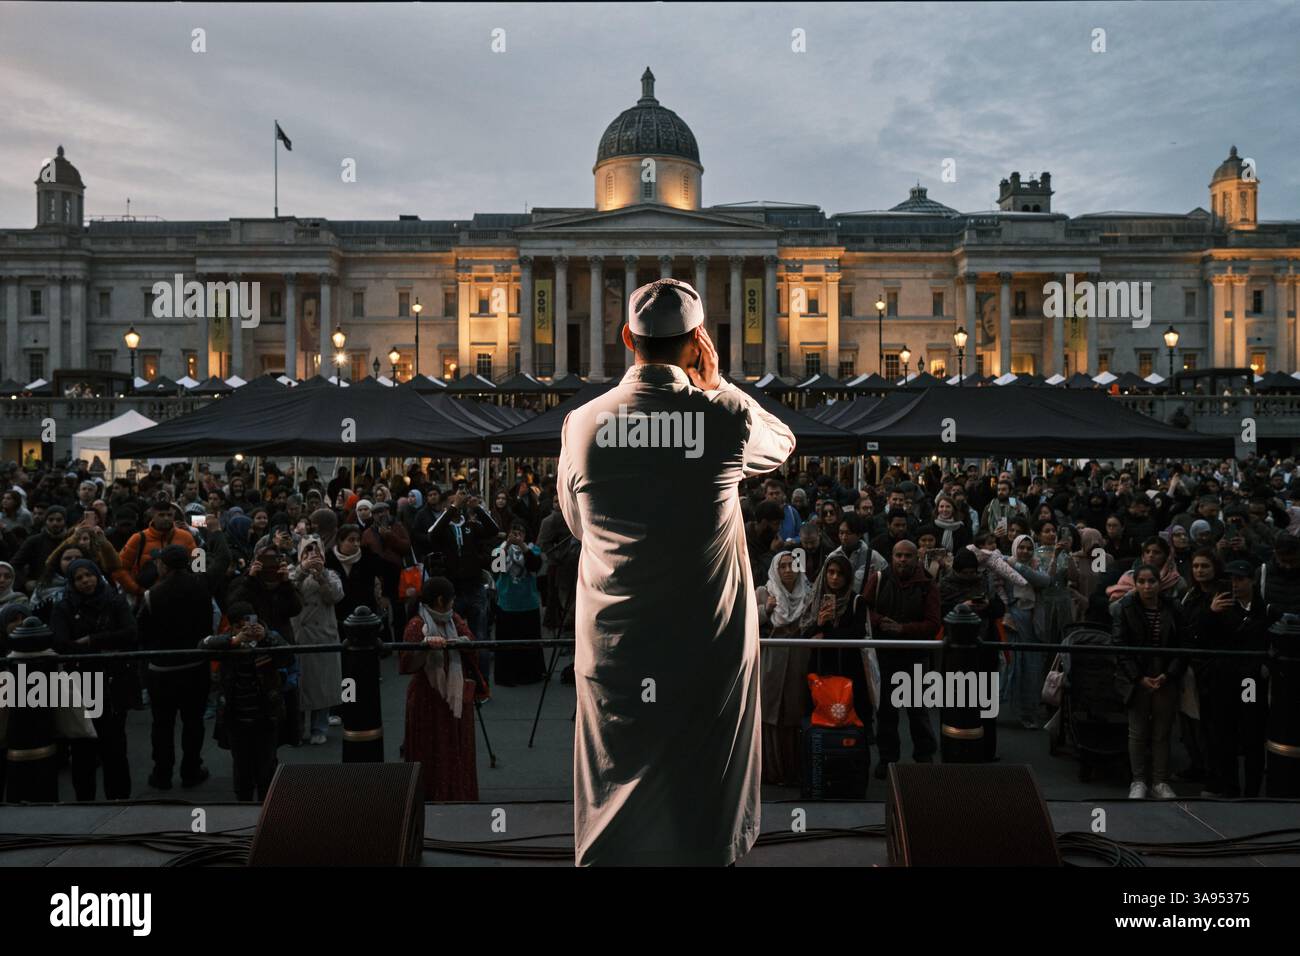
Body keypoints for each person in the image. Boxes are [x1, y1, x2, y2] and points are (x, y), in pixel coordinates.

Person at [557, 277, 795, 865]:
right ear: (698, 342)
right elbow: (782, 444)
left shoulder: (583, 423)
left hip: (617, 643)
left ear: (624, 339)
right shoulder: (726, 415)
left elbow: (577, 524)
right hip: (705, 645)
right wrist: (718, 385)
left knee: (615, 782)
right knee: (703, 798)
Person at [50, 559, 139, 801]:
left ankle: (119, 800)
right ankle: (85, 803)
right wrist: (107, 643)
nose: (85, 581)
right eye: (79, 578)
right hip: (82, 684)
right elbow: (61, 642)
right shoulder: (64, 607)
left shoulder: (114, 600)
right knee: (83, 750)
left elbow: (130, 632)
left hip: (112, 683)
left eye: (89, 575)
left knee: (115, 749)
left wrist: (91, 641)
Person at [860, 539, 940, 778]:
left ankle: (924, 757)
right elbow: (864, 608)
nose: (902, 560)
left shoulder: (928, 586)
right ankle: (887, 759)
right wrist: (880, 622)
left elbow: (933, 623)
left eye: (907, 556)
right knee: (886, 712)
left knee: (918, 711)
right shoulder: (879, 579)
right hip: (884, 655)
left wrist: (903, 630)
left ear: (915, 558)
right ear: (892, 557)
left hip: (915, 656)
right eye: (898, 555)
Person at [137, 544, 214, 790]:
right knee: (193, 722)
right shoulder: (202, 588)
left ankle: (162, 773)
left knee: (162, 724)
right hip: (195, 663)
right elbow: (209, 624)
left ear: (164, 566)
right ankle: (191, 770)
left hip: (162, 668)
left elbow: (142, 631)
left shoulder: (152, 594)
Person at [200, 603, 293, 801]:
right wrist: (233, 641)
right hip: (236, 717)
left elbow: (288, 655)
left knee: (266, 768)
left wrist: (265, 637)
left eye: (251, 625)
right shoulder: (228, 644)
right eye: (241, 627)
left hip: (265, 715)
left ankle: (266, 809)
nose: (248, 631)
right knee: (242, 769)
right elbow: (202, 646)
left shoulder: (267, 639)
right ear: (233, 627)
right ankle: (243, 809)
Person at [400, 577, 482, 801]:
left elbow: (474, 646)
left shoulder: (454, 619)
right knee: (431, 748)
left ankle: (459, 793)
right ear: (440, 600)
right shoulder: (417, 625)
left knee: (456, 747)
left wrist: (465, 641)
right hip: (428, 696)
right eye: (451, 599)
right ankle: (428, 796)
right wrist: (425, 648)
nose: (454, 603)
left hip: (454, 695)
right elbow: (407, 664)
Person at [1115, 563, 1189, 800]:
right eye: (1142, 582)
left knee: (1161, 732)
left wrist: (1169, 674)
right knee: (1137, 732)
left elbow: (1182, 645)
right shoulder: (1125, 607)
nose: (1147, 586)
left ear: (1160, 583)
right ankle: (1138, 781)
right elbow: (1120, 646)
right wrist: (1138, 678)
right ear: (1135, 584)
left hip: (1166, 674)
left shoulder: (1174, 607)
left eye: (1152, 581)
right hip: (1138, 676)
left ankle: (1159, 781)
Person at [1198, 560, 1269, 797]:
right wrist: (1210, 613)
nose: (1235, 584)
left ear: (1251, 580)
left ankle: (1251, 791)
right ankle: (1229, 788)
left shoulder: (1264, 608)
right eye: (1232, 579)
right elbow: (1200, 636)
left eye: (1240, 579)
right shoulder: (1221, 605)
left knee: (1252, 735)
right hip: (1224, 678)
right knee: (1224, 735)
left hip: (1250, 679)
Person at [755, 551, 813, 786]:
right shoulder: (764, 592)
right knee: (769, 717)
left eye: (793, 566)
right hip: (771, 664)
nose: (788, 570)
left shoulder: (808, 595)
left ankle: (792, 771)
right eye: (783, 567)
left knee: (793, 715)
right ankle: (770, 772)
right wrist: (765, 611)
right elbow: (747, 622)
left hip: (798, 664)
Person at [289, 536, 344, 745]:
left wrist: (321, 576)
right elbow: (288, 590)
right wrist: (303, 570)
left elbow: (336, 596)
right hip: (299, 634)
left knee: (322, 683)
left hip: (323, 634)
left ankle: (319, 727)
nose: (312, 555)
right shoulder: (292, 572)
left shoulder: (331, 574)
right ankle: (298, 727)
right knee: (299, 683)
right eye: (307, 551)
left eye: (316, 551)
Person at [490, 521, 546, 686]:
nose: (516, 536)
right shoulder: (500, 550)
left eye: (520, 533)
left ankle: (530, 674)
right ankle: (507, 675)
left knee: (528, 641)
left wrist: (522, 545)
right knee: (507, 642)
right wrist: (507, 545)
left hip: (528, 601)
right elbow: (496, 569)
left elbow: (535, 566)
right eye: (513, 533)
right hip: (507, 601)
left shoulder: (532, 549)